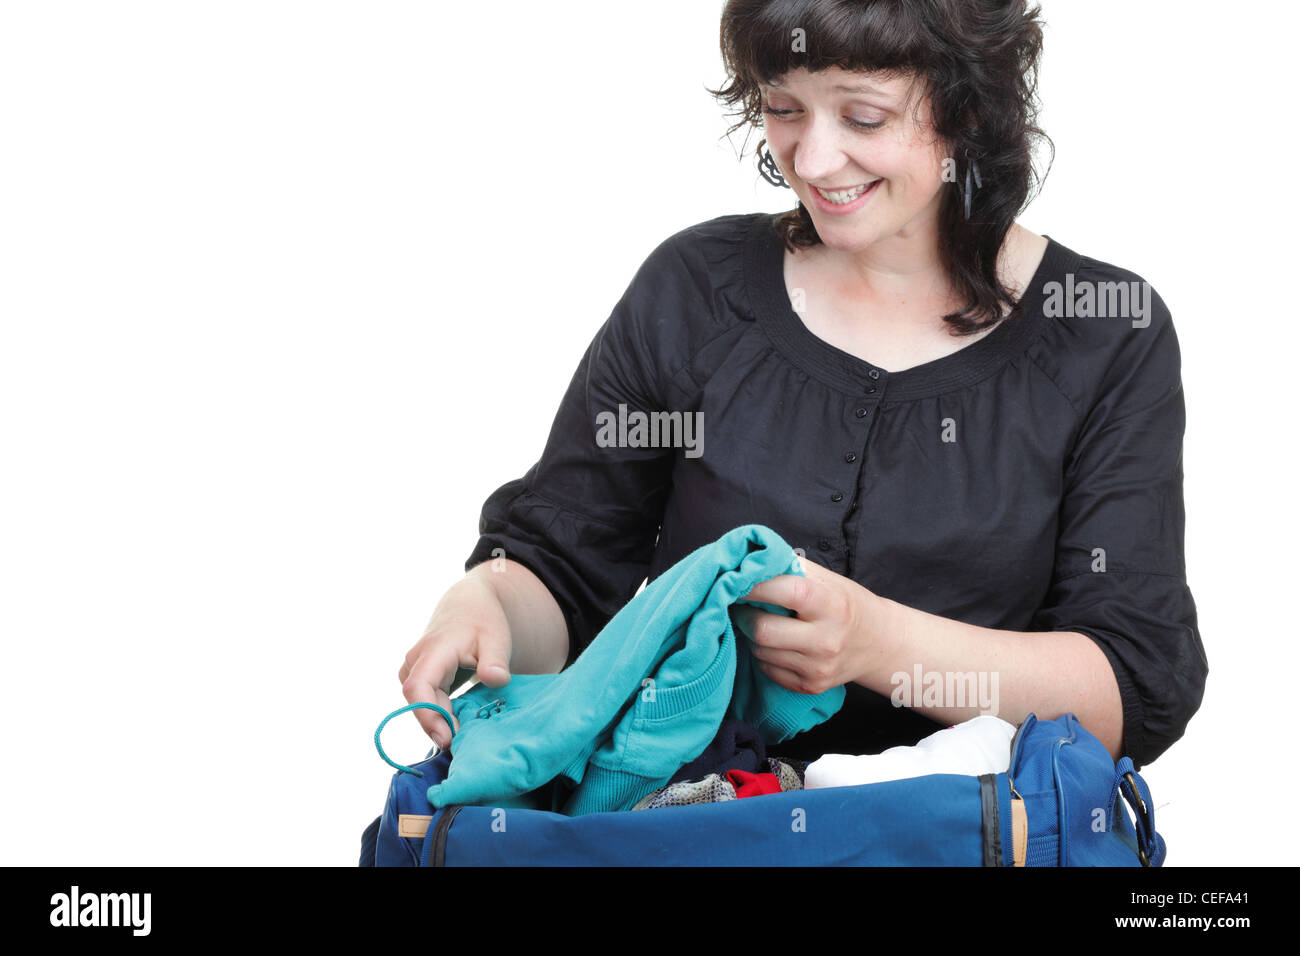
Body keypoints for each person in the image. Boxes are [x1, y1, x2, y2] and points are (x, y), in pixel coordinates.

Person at [398, 0, 1207, 771]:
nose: (814, 162)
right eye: (785, 108)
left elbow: (1128, 688)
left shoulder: (1103, 333)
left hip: (967, 833)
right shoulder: (695, 293)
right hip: (691, 819)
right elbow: (564, 567)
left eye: (864, 117)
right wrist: (488, 606)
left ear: (968, 111)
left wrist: (877, 643)